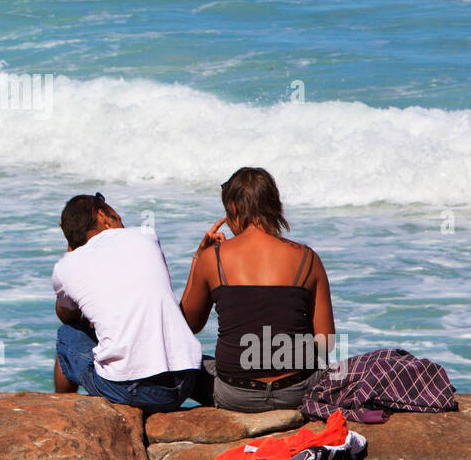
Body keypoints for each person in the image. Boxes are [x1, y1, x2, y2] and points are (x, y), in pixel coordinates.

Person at [180, 167, 335, 412]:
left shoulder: (214, 259)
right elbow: (326, 341)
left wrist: (198, 258)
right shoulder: (307, 258)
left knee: (180, 365)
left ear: (233, 208)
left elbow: (187, 326)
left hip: (234, 394)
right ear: (275, 206)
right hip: (296, 391)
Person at [52, 192, 203, 415]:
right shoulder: (146, 236)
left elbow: (67, 317)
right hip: (183, 382)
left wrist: (71, 249)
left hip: (130, 391)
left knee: (67, 335)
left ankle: (63, 414)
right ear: (103, 215)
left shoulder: (66, 266)